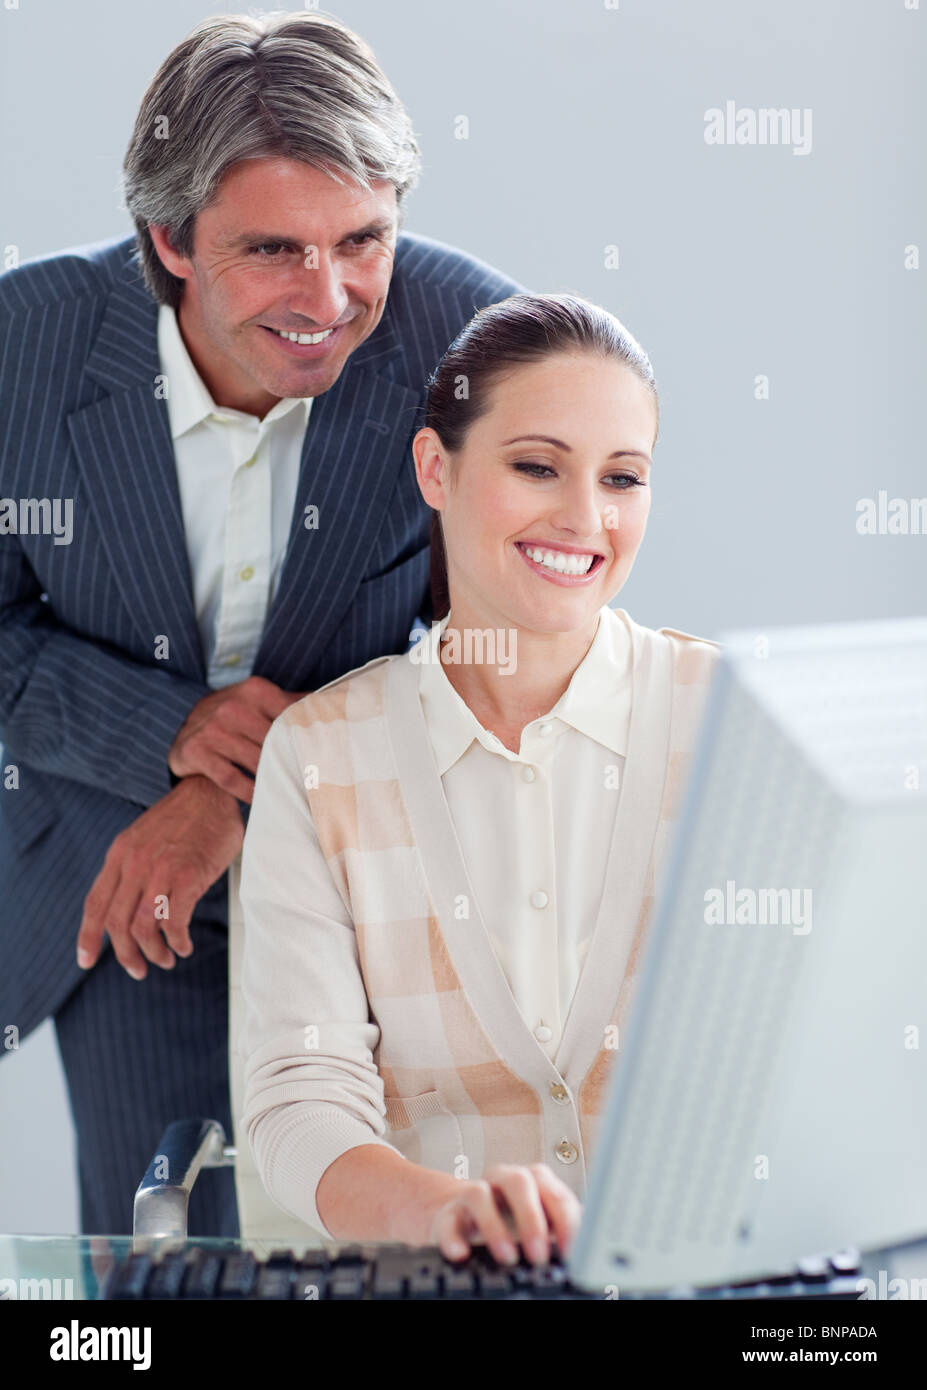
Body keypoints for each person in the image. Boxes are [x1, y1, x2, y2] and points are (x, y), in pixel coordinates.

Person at [0, 10, 524, 1238]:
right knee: (166, 1252)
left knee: (385, 1248)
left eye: (364, 240)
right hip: (128, 882)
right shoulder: (22, 348)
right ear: (169, 238)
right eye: (275, 249)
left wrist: (242, 787)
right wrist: (169, 738)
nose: (330, 297)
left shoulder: (473, 351)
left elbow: (511, 654)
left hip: (388, 881)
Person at [239, 292, 721, 1265]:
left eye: (622, 477)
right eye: (538, 466)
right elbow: (301, 1103)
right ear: (436, 468)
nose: (586, 518)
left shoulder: (731, 724)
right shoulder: (320, 754)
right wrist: (443, 1216)